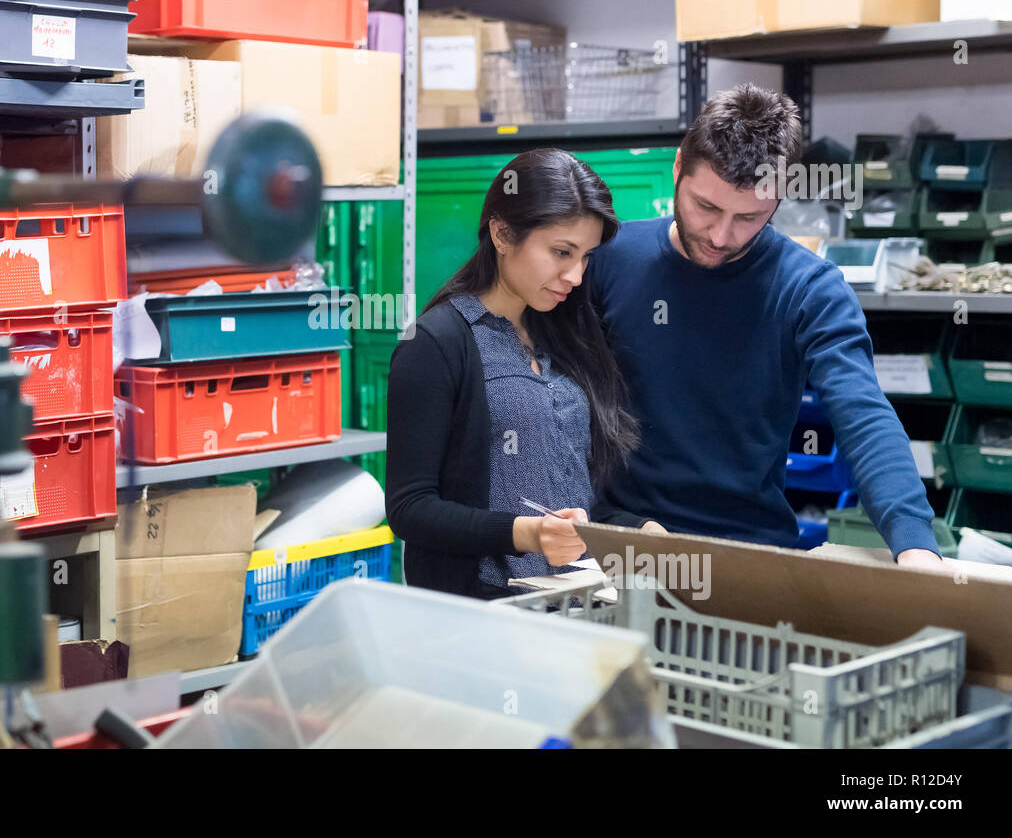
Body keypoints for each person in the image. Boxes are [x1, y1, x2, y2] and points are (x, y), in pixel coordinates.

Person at [584, 83, 945, 570]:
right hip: (620, 541)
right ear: (677, 169)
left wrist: (915, 546)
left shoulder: (811, 288)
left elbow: (864, 416)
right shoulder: (607, 260)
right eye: (706, 207)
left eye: (749, 216)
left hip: (750, 551)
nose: (720, 235)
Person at [385, 149, 643, 599]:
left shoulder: (566, 333)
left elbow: (574, 500)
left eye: (586, 257)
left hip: (575, 601)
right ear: (502, 233)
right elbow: (411, 509)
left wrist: (634, 530)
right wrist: (525, 533)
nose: (576, 276)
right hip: (480, 611)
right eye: (562, 252)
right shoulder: (434, 343)